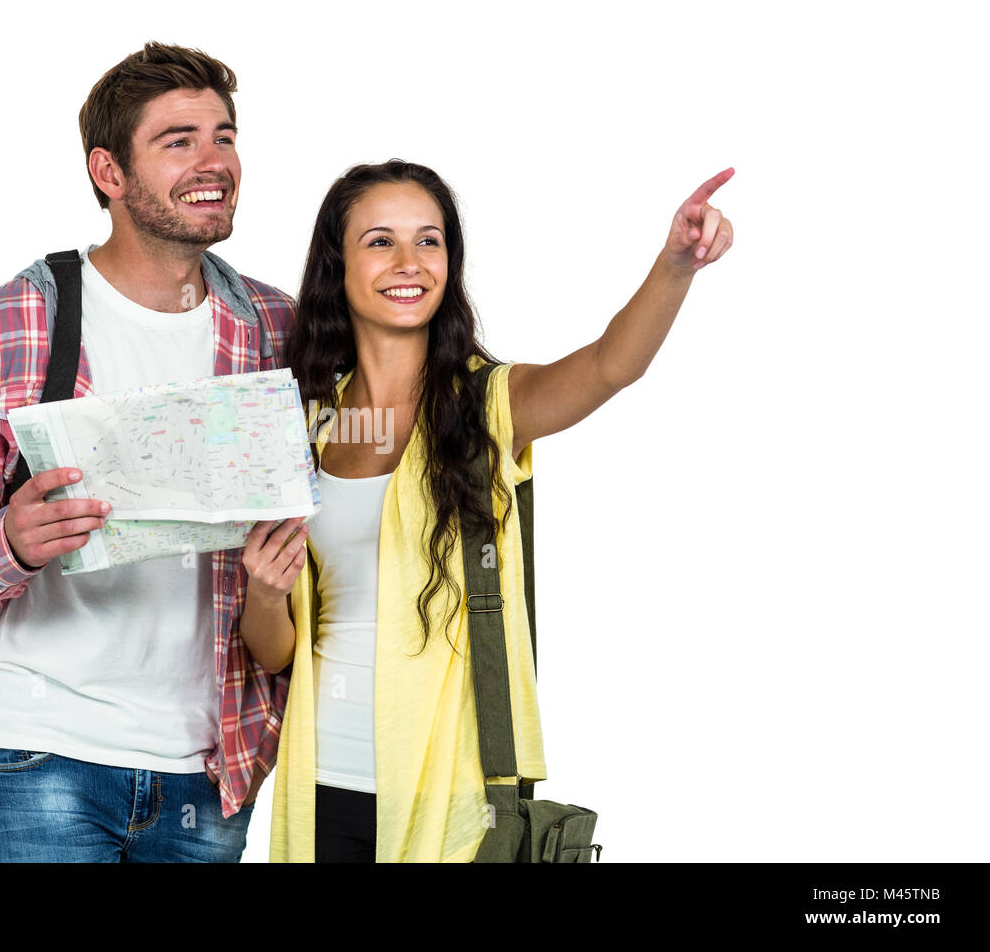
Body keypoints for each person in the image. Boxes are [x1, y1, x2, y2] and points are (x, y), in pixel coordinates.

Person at [236, 159, 734, 862]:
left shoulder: (489, 403)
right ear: (335, 265)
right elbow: (279, 649)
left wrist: (675, 265)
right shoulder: (309, 425)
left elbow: (609, 365)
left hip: (453, 801)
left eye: (429, 240)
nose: (409, 262)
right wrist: (263, 590)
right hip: (322, 784)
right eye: (380, 241)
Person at [0, 43, 297, 862]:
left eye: (225, 136)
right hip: (39, 743)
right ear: (109, 173)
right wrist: (6, 541)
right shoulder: (5, 326)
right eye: (178, 140)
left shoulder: (276, 329)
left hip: (210, 758)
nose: (215, 160)